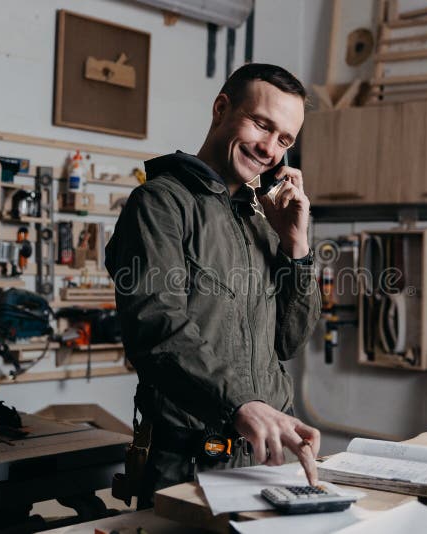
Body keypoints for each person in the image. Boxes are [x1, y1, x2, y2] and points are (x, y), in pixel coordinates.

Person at [105, 63, 322, 508]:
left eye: (284, 140)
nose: (269, 149)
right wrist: (242, 406)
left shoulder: (263, 221)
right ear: (222, 108)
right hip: (188, 462)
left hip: (266, 459)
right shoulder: (160, 204)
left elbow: (289, 341)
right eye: (262, 125)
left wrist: (296, 247)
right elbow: (156, 329)